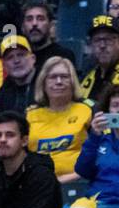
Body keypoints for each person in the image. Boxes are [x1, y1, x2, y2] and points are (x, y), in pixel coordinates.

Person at [26, 56, 93, 184]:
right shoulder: (29, 115)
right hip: (38, 185)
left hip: (79, 183)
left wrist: (60, 181)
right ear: (43, 83)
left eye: (64, 77)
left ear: (73, 81)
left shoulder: (88, 110)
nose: (58, 82)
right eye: (52, 77)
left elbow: (99, 152)